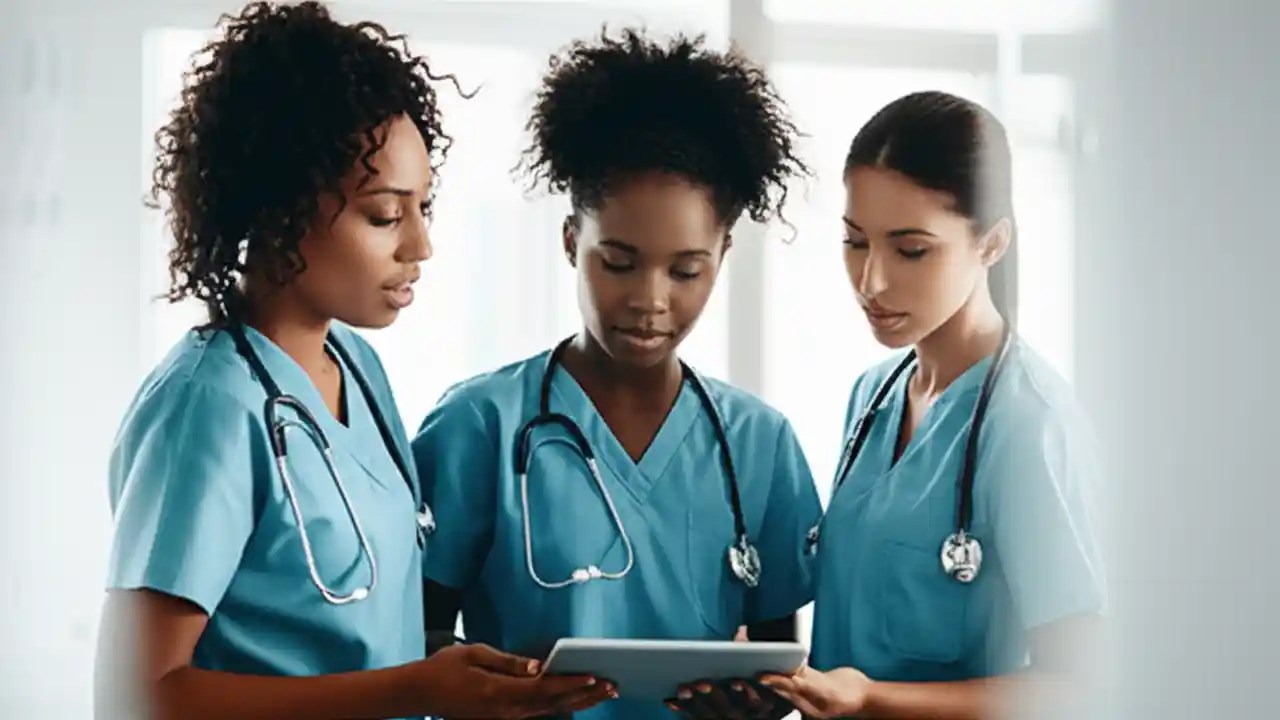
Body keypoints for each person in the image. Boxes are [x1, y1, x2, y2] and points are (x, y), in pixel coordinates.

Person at [93, 3, 613, 719]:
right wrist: (415, 687)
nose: (420, 246)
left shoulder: (357, 369)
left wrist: (484, 673)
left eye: (424, 208)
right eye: (385, 215)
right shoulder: (207, 405)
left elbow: (357, 637)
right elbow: (134, 695)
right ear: (278, 208)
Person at [412, 28, 819, 720]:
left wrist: (750, 704)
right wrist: (504, 688)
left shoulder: (761, 443)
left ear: (723, 254)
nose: (650, 299)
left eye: (685, 271)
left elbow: (778, 665)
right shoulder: (478, 426)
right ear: (572, 240)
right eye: (620, 263)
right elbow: (416, 643)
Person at [757, 91, 1107, 718]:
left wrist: (872, 699)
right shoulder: (872, 396)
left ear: (992, 243)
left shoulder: (1028, 424)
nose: (871, 281)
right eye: (855, 242)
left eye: (911, 250)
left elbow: (1080, 687)